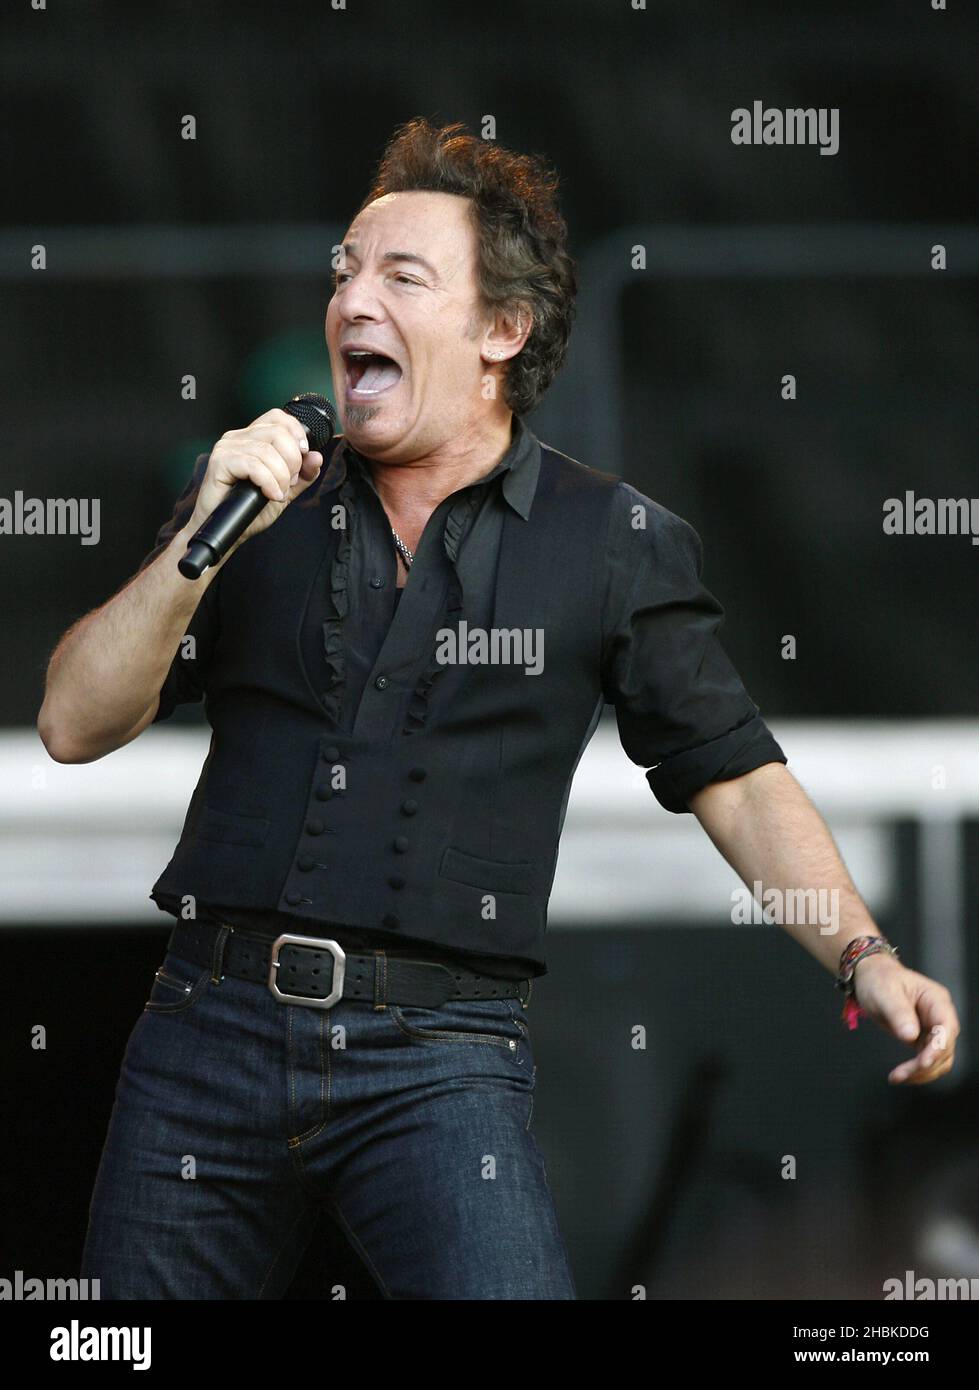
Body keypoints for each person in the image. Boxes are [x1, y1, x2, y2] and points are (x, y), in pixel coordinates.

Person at [38, 118, 959, 1301]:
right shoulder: (260, 506)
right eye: (344, 271)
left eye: (400, 275)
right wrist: (199, 544)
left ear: (500, 331)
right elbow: (74, 721)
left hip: (440, 1059)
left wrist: (861, 953)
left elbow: (731, 771)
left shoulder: (609, 541)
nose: (352, 299)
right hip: (206, 1031)